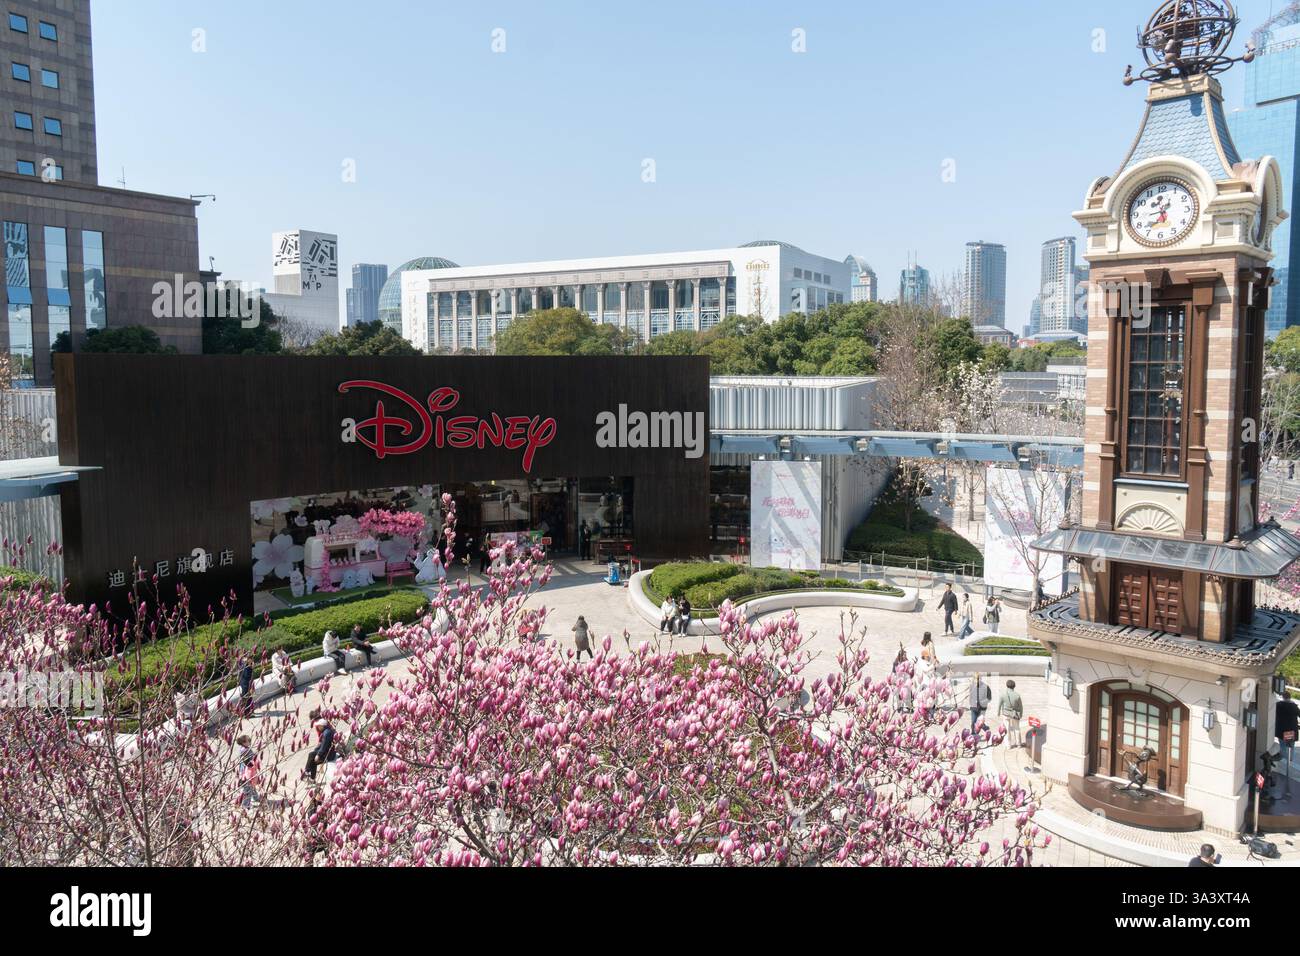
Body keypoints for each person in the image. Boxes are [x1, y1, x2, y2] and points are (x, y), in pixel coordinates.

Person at [301, 711, 336, 783]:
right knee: (312, 759)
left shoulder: (326, 733)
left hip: (329, 754)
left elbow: (324, 746)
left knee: (311, 755)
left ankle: (307, 772)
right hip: (328, 752)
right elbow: (322, 744)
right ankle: (312, 778)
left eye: (318, 726)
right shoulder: (326, 731)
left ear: (322, 726)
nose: (317, 727)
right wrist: (316, 751)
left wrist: (318, 754)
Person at [998, 679, 1024, 748]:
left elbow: (999, 705)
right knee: (1017, 729)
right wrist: (1021, 714)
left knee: (1007, 729)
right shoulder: (1017, 695)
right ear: (1014, 686)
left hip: (1006, 714)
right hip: (1015, 714)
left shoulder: (1003, 694)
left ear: (1007, 686)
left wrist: (998, 713)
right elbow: (1021, 706)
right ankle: (1018, 744)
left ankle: (1008, 745)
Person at [234, 734, 259, 807]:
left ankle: (256, 798)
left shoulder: (244, 748)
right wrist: (252, 763)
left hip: (246, 771)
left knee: (252, 785)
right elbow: (246, 761)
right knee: (248, 788)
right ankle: (245, 804)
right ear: (244, 743)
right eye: (249, 741)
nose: (250, 742)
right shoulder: (245, 751)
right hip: (246, 772)